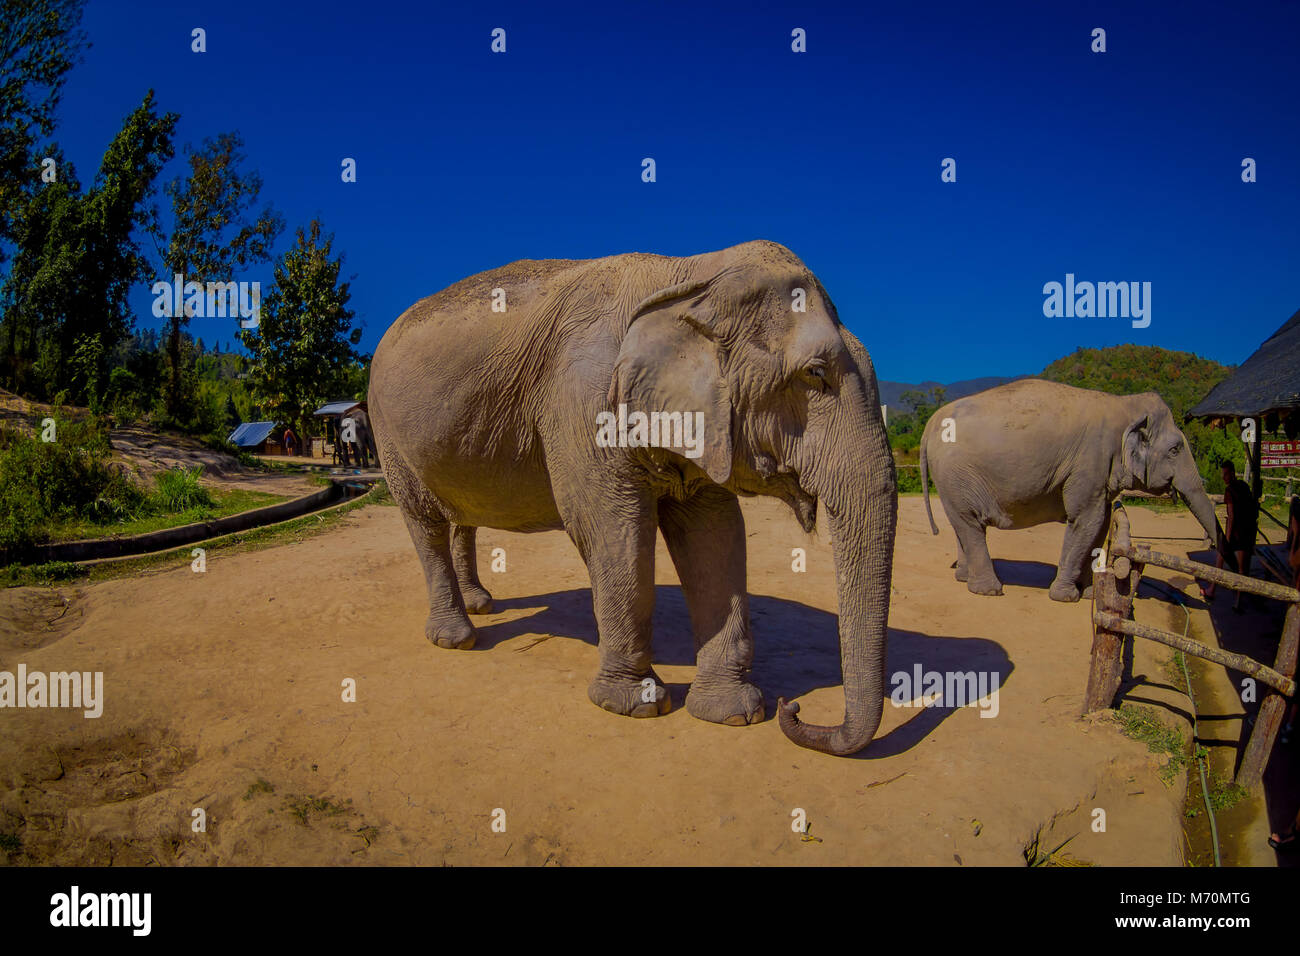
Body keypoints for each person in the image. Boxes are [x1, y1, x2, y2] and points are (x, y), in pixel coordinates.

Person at [1201, 460, 1258, 612]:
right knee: (1239, 569)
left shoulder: (1230, 491)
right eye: (1223, 474)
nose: (1223, 477)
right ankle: (1233, 599)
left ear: (1232, 473)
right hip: (1247, 532)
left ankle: (1219, 592)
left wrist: (1227, 538)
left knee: (1228, 564)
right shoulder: (1244, 487)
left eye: (1225, 474)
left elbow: (1231, 516)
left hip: (1237, 535)